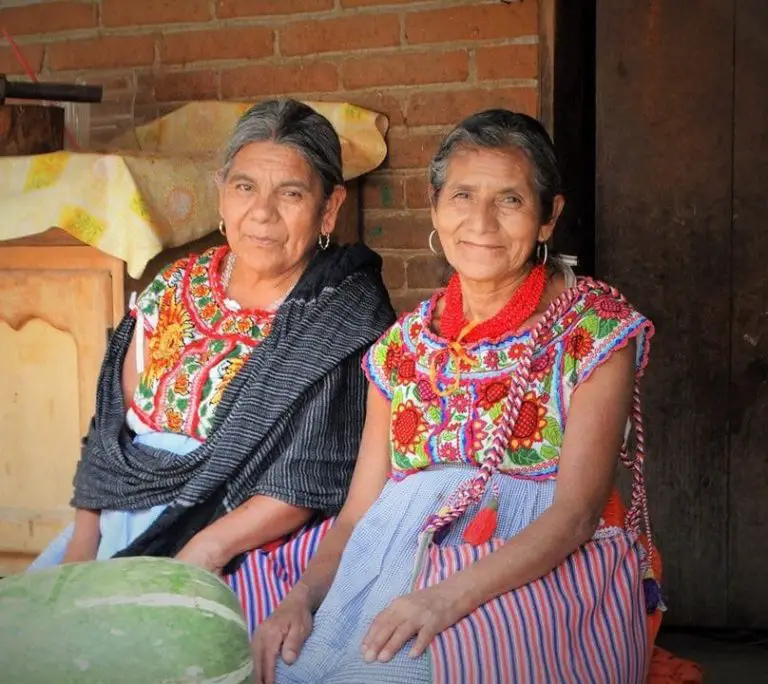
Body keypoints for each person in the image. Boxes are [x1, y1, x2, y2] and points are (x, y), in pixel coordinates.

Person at [253, 109, 702, 683]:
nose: (482, 222)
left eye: (510, 200)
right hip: (393, 574)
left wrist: (442, 600)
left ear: (547, 218)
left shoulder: (592, 329)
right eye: (462, 195)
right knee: (293, 669)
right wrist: (300, 601)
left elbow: (575, 515)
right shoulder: (401, 348)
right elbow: (355, 518)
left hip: (534, 582)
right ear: (436, 208)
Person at [28, 98, 396, 635]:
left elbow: (305, 478)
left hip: (244, 537)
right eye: (245, 187)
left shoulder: (342, 316)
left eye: (290, 193)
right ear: (221, 193)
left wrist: (201, 552)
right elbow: (110, 433)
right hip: (114, 523)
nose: (263, 212)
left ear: (330, 207)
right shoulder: (175, 286)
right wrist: (84, 542)